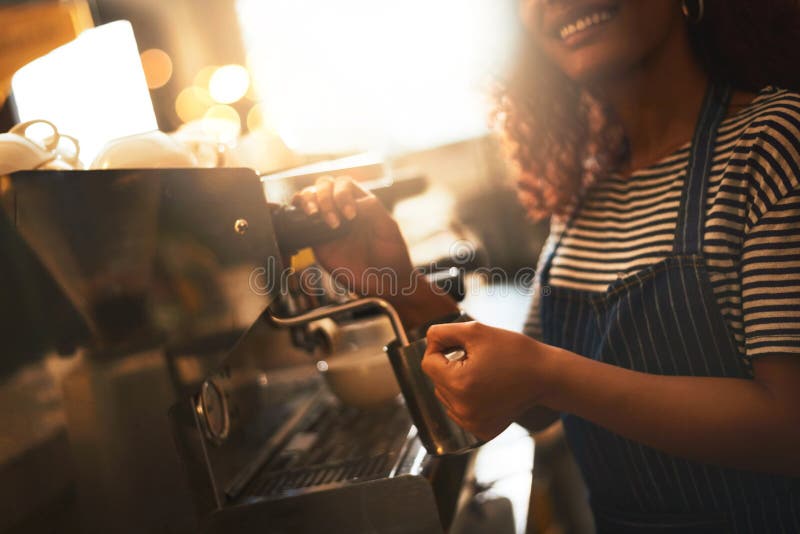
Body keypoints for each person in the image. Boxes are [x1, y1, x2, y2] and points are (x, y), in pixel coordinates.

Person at [293, 0, 800, 531]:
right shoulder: (590, 190)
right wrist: (396, 285)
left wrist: (550, 375)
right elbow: (537, 405)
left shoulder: (768, 143)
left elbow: (790, 429)